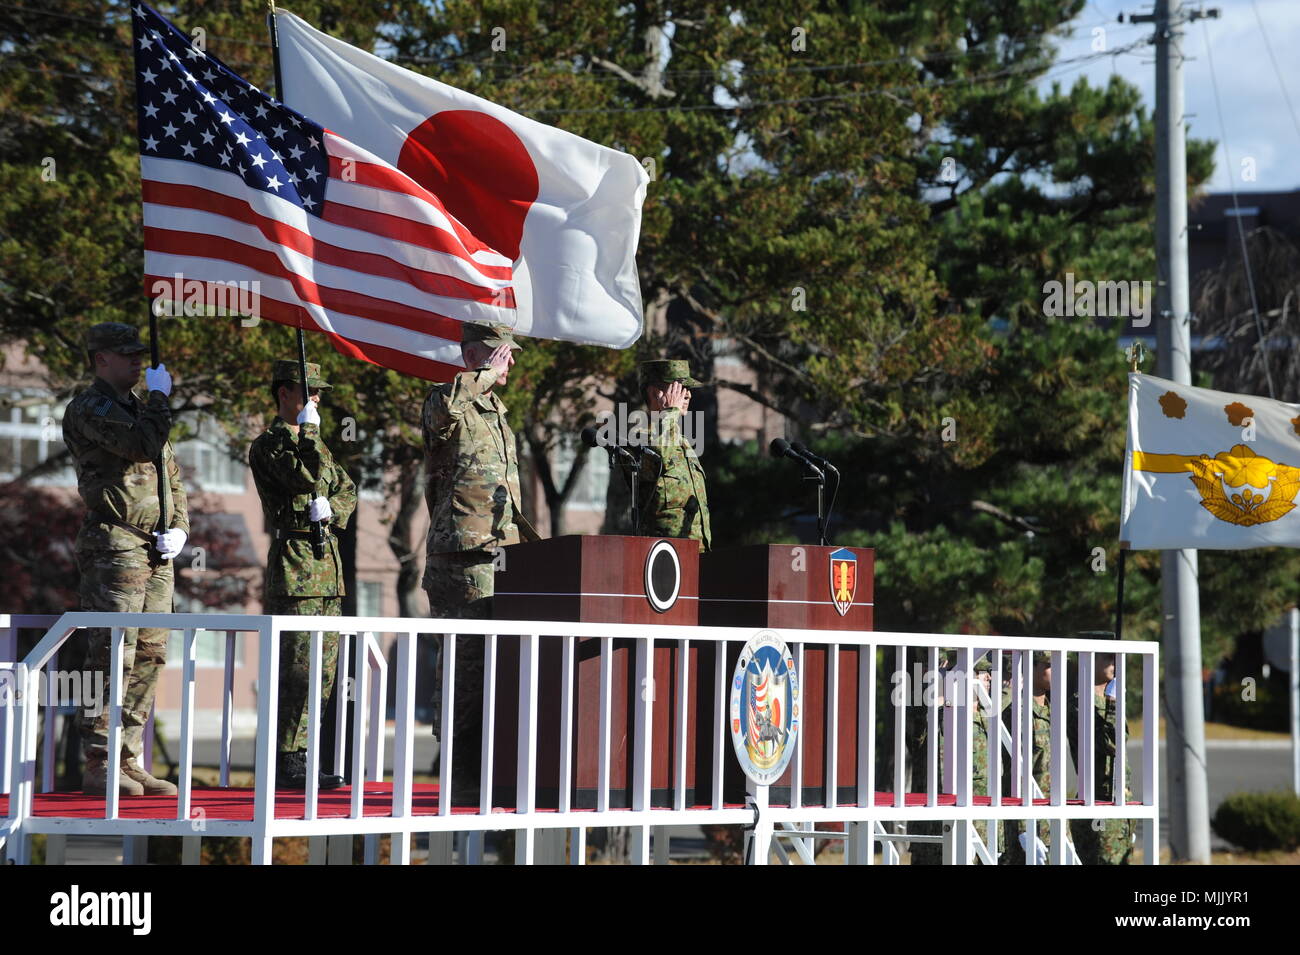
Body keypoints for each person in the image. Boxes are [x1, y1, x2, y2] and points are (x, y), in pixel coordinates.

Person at [63, 322, 188, 797]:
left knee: (150, 656)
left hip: (155, 548)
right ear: (101, 359)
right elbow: (141, 444)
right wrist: (160, 401)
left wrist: (181, 528)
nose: (139, 361)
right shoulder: (89, 407)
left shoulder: (140, 409)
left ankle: (128, 756)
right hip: (114, 543)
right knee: (111, 653)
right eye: (127, 355)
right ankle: (98, 761)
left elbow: (170, 475)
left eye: (140, 354)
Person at [421, 323, 537, 803]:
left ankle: (485, 771)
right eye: (502, 356)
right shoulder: (445, 401)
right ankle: (460, 772)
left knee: (491, 667)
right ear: (477, 355)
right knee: (464, 668)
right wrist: (483, 373)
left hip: (500, 554)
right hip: (461, 556)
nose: (509, 365)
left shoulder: (496, 413)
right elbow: (445, 412)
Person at [248, 360, 355, 789]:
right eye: (308, 392)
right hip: (295, 565)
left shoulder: (318, 443)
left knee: (324, 670)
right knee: (297, 667)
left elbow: (345, 487)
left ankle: (305, 753)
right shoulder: (270, 444)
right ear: (283, 394)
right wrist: (308, 433)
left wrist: (335, 510)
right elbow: (304, 477)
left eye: (318, 394)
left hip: (327, 566)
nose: (316, 400)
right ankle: (285, 758)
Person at [1067, 632, 1136, 864]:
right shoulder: (1079, 704)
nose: (1115, 664)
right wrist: (1113, 704)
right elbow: (1111, 744)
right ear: (1091, 658)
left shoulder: (1109, 698)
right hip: (1099, 798)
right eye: (1109, 657)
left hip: (1118, 796)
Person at [636, 359, 711, 550]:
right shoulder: (639, 436)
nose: (688, 394)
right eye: (679, 387)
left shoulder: (682, 441)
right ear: (655, 393)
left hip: (696, 549)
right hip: (663, 552)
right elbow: (659, 454)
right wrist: (670, 411)